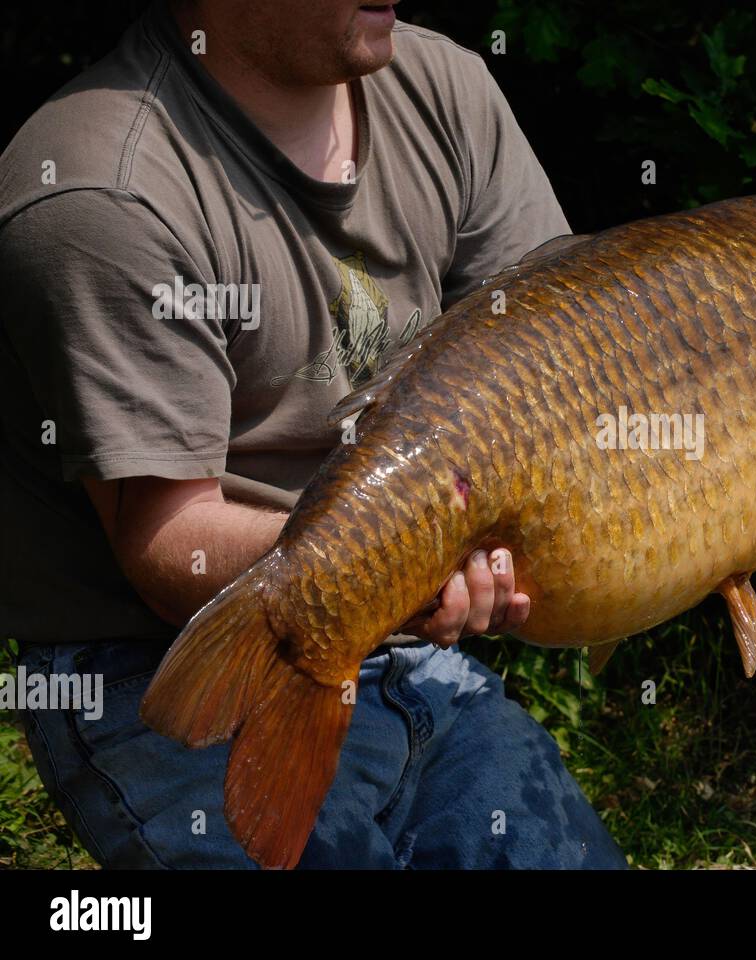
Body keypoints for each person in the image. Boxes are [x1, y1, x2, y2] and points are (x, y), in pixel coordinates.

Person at [0, 0, 629, 869]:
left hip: (405, 640)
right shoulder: (103, 188)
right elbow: (167, 546)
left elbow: (567, 366)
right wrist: (401, 560)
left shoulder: (444, 88)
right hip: (166, 660)